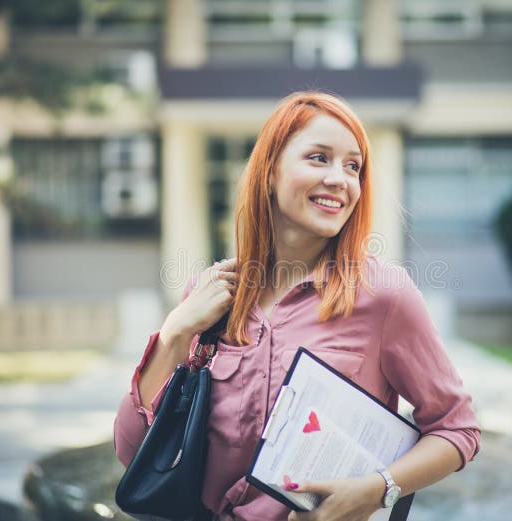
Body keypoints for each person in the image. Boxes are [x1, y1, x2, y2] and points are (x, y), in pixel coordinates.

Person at [114, 91, 480, 521]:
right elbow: (130, 450)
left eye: (353, 166)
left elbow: (457, 429)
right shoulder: (210, 294)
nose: (340, 180)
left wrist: (377, 489)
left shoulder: (385, 295)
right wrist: (176, 333)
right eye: (319, 158)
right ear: (269, 172)